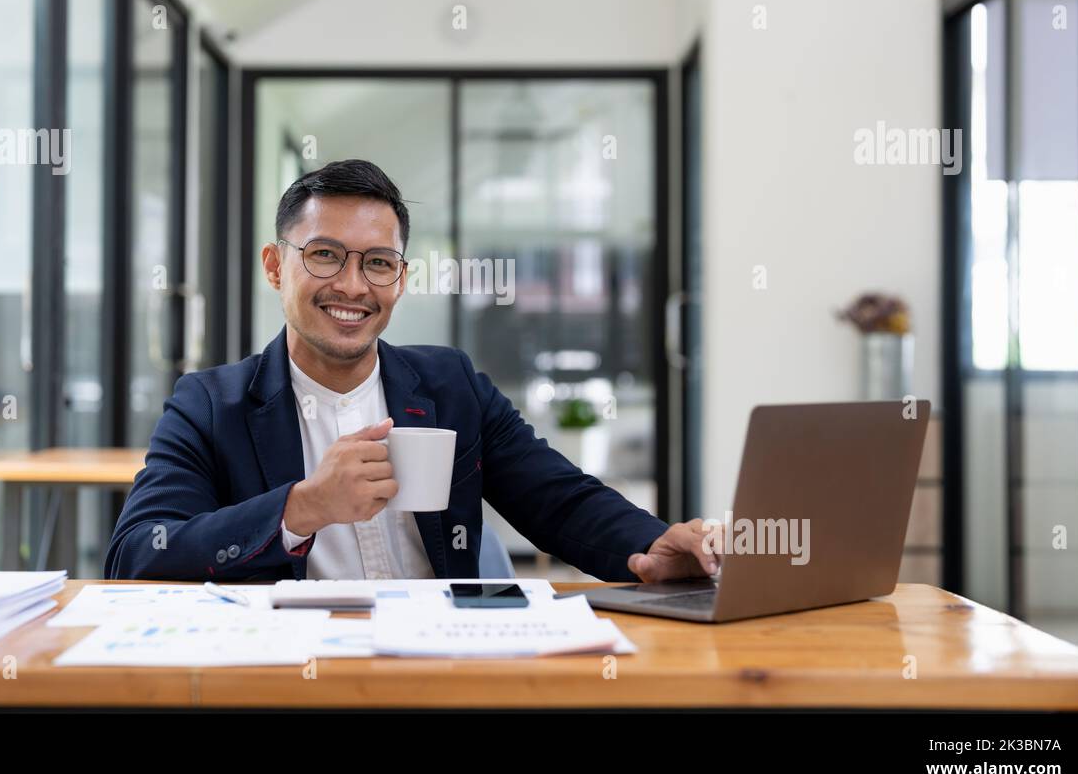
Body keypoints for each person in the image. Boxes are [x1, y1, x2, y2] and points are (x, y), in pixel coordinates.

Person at [105, 159, 722, 582]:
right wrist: (302, 507)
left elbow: (558, 499)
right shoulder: (211, 404)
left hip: (439, 666)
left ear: (400, 279)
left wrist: (650, 544)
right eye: (324, 256)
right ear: (275, 266)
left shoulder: (451, 386)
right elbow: (137, 552)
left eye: (378, 262)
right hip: (290, 677)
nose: (352, 285)